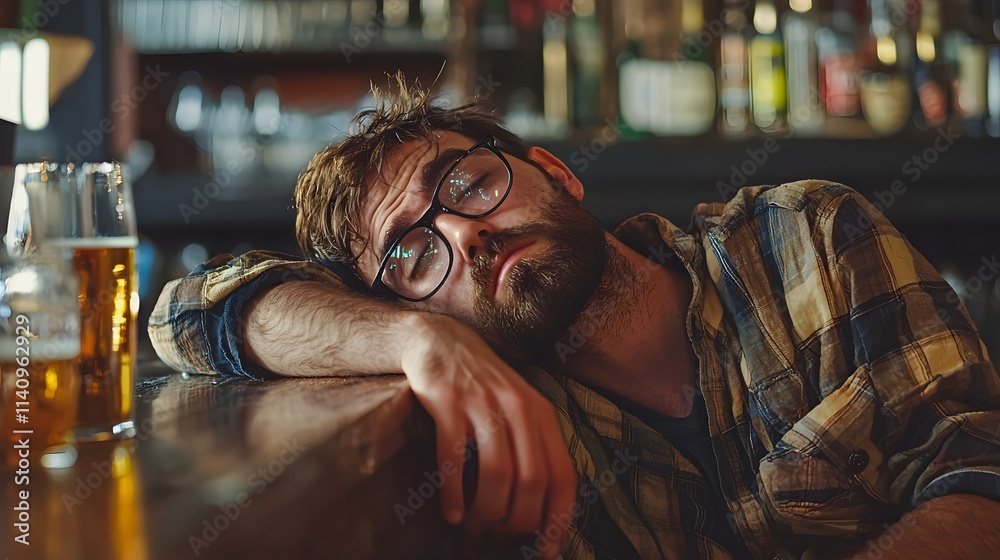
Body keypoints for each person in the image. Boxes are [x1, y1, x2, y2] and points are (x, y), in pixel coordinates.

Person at [150, 78, 1000, 560]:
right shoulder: (512, 410)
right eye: (414, 255)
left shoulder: (804, 235)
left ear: (556, 170)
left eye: (469, 186)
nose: (466, 236)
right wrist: (415, 339)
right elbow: (184, 312)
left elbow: (980, 475)